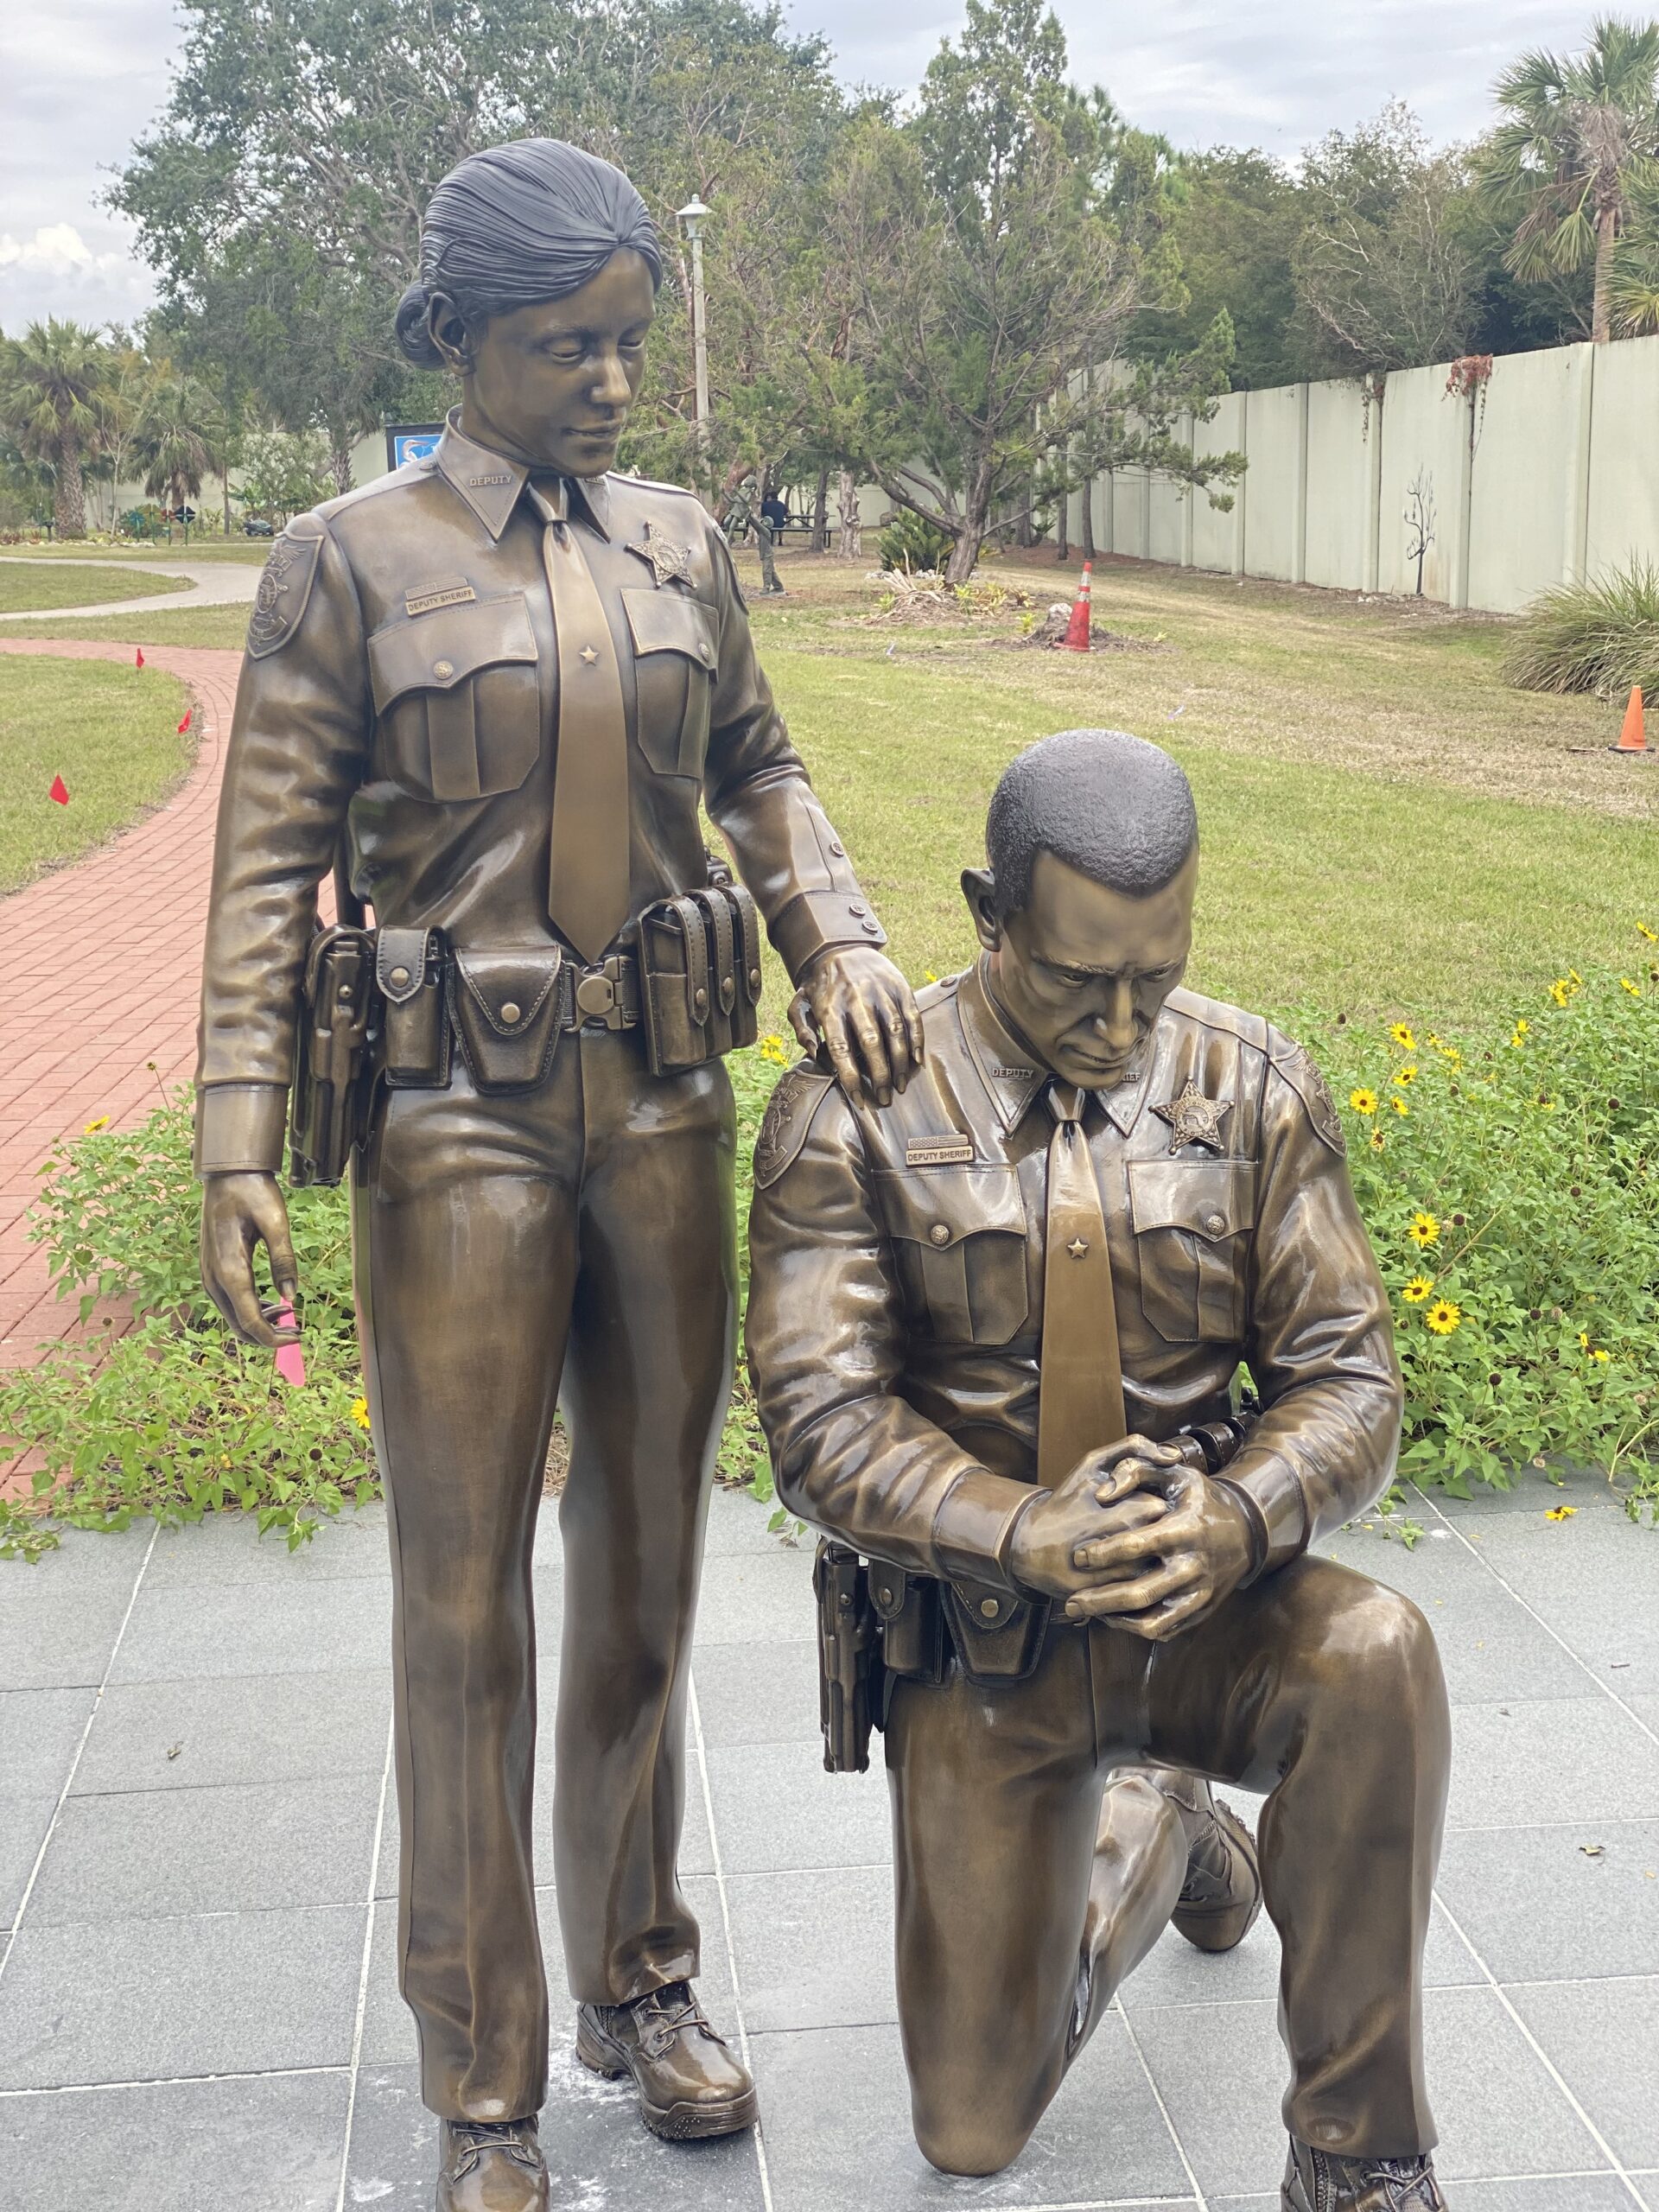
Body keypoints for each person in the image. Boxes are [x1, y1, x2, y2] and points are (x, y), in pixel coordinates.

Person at [194, 138, 921, 2212]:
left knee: (646, 1569)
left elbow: (758, 762)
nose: (610, 381)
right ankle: (481, 2065)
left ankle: (638, 1973)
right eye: (564, 345)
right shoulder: (344, 562)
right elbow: (262, 864)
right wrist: (238, 1133)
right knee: (459, 1602)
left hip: (662, 1106)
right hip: (454, 1129)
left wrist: (837, 930)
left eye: (624, 343)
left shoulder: (686, 542)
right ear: (456, 338)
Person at [747, 728, 1452, 2212]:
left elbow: (1352, 1379)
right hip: (983, 1644)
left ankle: (1359, 2155)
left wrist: (1241, 1516)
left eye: (1157, 972)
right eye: (1079, 981)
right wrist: (1019, 1532)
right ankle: (1166, 1823)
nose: (1125, 1021)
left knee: (1379, 1652)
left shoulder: (1251, 1084)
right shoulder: (854, 1108)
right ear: (988, 917)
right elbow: (818, 1422)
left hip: (1207, 1609)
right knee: (971, 2127)